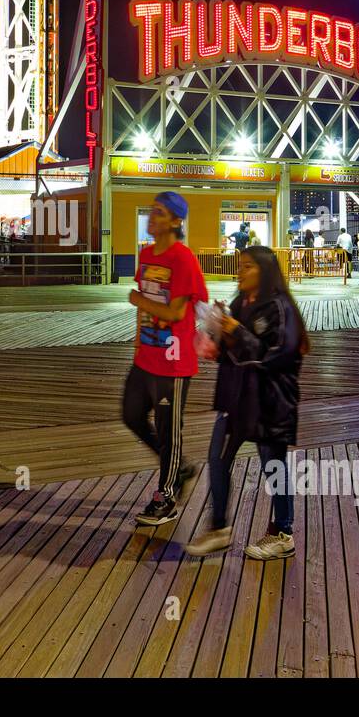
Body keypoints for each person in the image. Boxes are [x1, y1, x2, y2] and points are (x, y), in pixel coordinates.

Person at [187, 246, 309, 559]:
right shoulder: (240, 303)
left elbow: (276, 357)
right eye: (240, 266)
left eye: (248, 266)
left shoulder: (281, 309)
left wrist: (237, 333)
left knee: (273, 465)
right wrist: (216, 334)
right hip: (236, 397)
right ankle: (218, 527)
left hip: (269, 401)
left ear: (265, 271)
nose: (240, 272)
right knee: (218, 459)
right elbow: (235, 353)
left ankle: (283, 532)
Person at [122, 191, 209, 527]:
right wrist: (136, 343)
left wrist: (137, 301)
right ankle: (180, 466)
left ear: (176, 221)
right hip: (146, 355)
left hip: (173, 360)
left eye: (159, 212)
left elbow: (175, 312)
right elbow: (144, 303)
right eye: (151, 211)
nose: (151, 217)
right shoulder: (146, 255)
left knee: (169, 429)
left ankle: (167, 496)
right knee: (131, 415)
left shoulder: (183, 259)